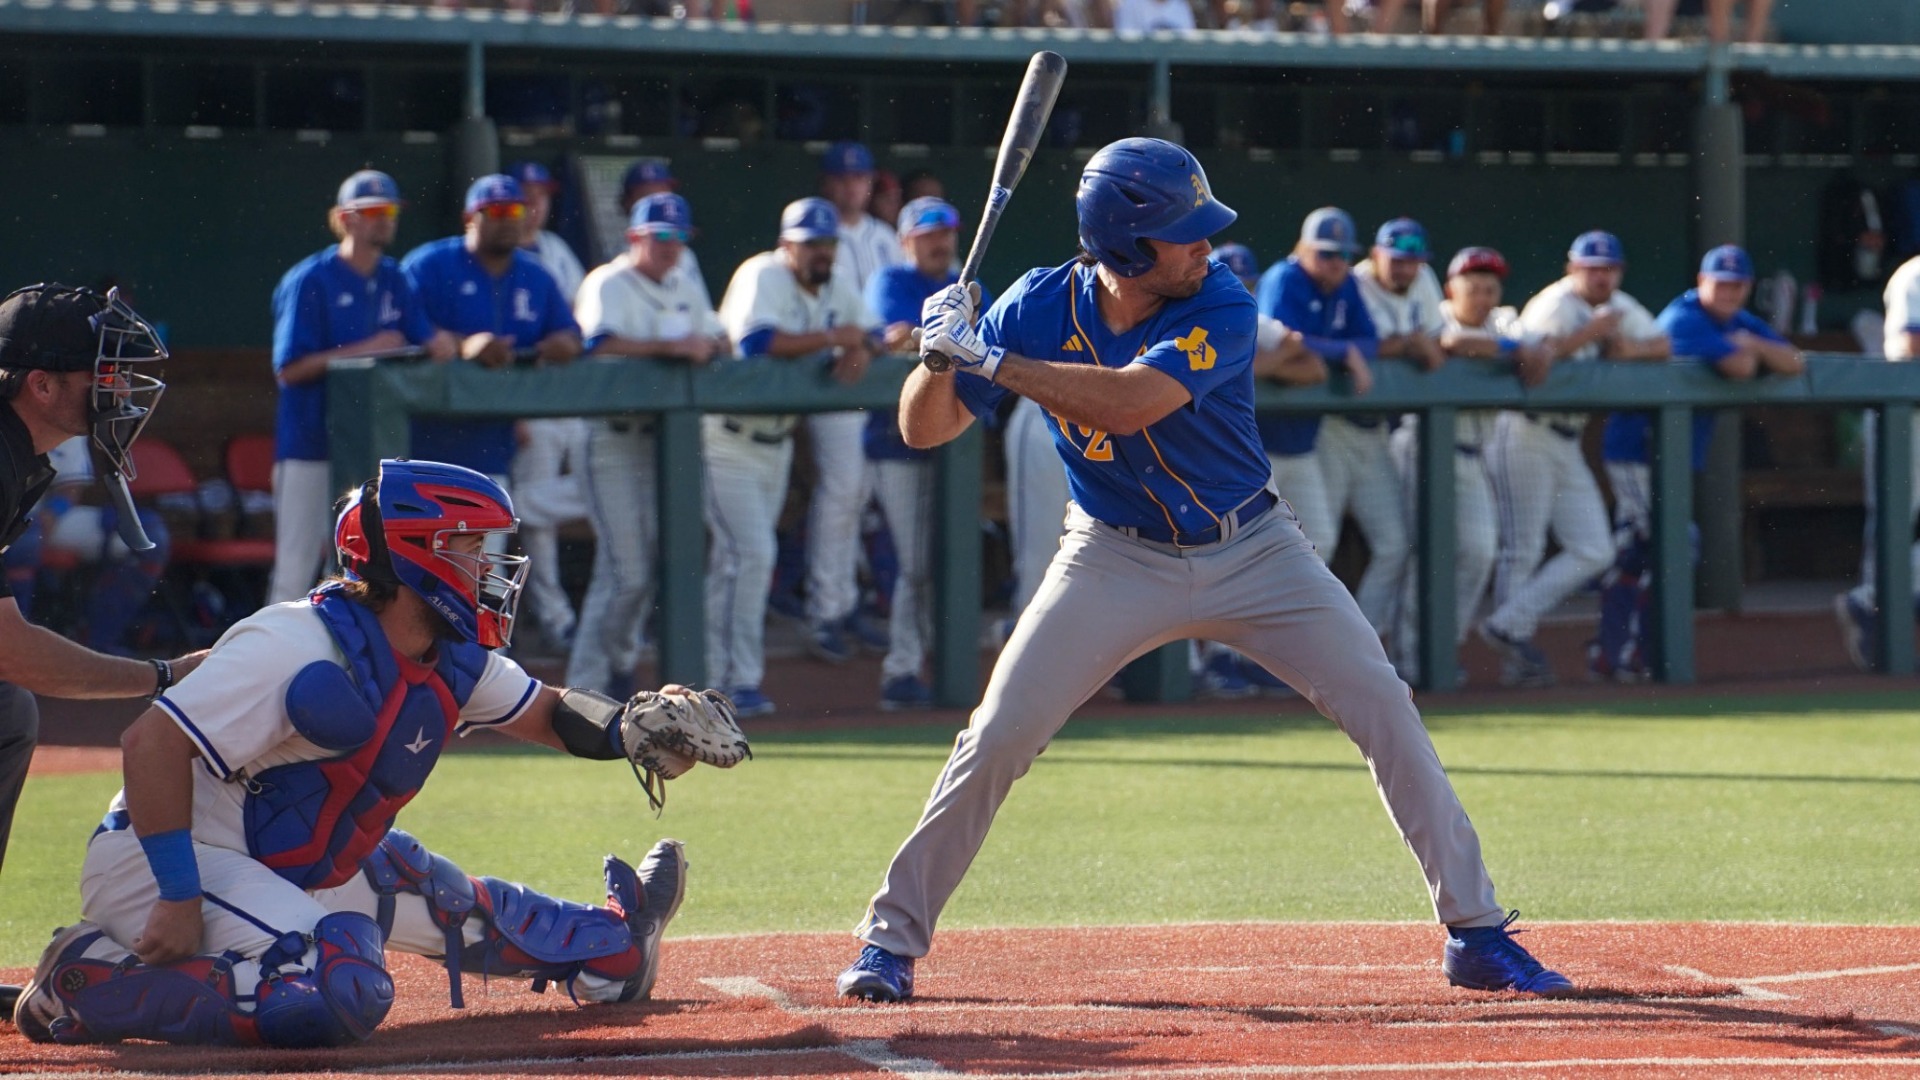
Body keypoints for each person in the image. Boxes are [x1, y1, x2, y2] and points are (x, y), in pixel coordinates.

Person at [836, 137, 1570, 1004]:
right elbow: (924, 428)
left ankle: (1476, 933)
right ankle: (889, 940)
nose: (1205, 246)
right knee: (997, 735)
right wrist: (938, 356)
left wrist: (989, 359)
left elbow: (1133, 403)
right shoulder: (1035, 304)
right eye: (1184, 234)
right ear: (1124, 246)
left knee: (1384, 705)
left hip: (1256, 549)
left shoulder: (1220, 298)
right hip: (1111, 554)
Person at [9, 459, 695, 1047]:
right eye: (472, 547)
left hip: (285, 862)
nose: (491, 567)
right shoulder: (293, 641)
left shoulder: (451, 654)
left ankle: (617, 951)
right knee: (339, 986)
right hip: (162, 862)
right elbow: (150, 742)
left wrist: (636, 727)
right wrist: (178, 894)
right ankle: (89, 978)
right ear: (417, 554)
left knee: (417, 880)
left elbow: (550, 713)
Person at [0, 283, 206, 883]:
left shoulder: (16, 451)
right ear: (41, 385)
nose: (117, 387)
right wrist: (163, 675)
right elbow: (11, 650)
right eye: (101, 373)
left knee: (8, 712)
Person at [1593, 245, 1802, 681]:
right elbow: (1741, 367)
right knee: (1671, 543)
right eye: (1720, 284)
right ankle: (1631, 651)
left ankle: (1618, 650)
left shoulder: (1739, 322)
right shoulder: (1683, 317)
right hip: (1636, 450)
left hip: (1673, 456)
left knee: (1641, 552)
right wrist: (1750, 350)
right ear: (1701, 282)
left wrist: (1752, 342)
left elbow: (1794, 361)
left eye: (1736, 285)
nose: (1728, 292)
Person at [710, 198, 881, 717]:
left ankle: (712, 676)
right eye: (810, 244)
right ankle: (738, 680)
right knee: (752, 555)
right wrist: (835, 337)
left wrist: (862, 346)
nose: (821, 252)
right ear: (787, 246)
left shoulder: (834, 284)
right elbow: (754, 342)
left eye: (827, 243)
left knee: (732, 563)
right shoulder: (762, 273)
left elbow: (871, 330)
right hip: (725, 439)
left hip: (777, 443)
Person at [1483, 231, 1668, 688]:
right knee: (1523, 547)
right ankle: (1514, 652)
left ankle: (1506, 625)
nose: (1600, 277)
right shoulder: (1555, 303)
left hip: (1568, 438)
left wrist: (1631, 349)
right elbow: (1533, 363)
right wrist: (1589, 334)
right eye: (1591, 268)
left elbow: (1664, 346)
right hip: (1525, 430)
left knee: (1594, 549)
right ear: (1573, 269)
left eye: (1608, 269)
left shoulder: (1618, 306)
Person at [268, 170, 453, 605]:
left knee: (360, 572)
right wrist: (366, 349)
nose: (385, 219)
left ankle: (344, 650)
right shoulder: (311, 278)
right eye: (373, 211)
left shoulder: (395, 278)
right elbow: (289, 369)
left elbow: (429, 341)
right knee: (295, 569)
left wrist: (445, 343)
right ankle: (269, 651)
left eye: (390, 211)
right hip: (310, 444)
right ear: (346, 218)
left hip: (372, 449)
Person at [568, 193, 726, 699]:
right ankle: (593, 678)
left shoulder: (684, 283)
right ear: (634, 237)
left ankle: (608, 669)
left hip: (661, 444)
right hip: (610, 439)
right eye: (661, 236)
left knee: (648, 567)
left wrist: (709, 344)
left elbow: (717, 336)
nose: (671, 246)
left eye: (679, 237)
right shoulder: (607, 282)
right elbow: (596, 344)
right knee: (626, 572)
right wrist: (671, 348)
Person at [1391, 247, 1549, 684]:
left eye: (1490, 288)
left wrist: (1526, 348)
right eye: (1473, 287)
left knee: (1479, 553)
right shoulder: (1438, 314)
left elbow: (1540, 347)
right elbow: (1453, 342)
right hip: (1423, 449)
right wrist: (1512, 350)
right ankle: (1406, 657)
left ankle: (1443, 647)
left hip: (1472, 455)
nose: (1481, 297)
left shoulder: (1504, 320)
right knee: (1422, 553)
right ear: (1451, 289)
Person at [862, 197, 978, 711]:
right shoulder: (892, 280)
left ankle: (933, 664)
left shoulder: (967, 283)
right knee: (915, 564)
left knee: (947, 561)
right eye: (928, 234)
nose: (940, 242)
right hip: (896, 444)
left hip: (956, 446)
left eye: (946, 232)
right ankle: (902, 670)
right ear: (907, 240)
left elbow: (977, 342)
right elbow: (901, 339)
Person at [401, 174, 583, 485]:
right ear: (469, 218)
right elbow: (401, 329)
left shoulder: (536, 275)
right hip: (427, 441)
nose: (508, 220)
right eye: (496, 211)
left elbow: (571, 335)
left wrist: (559, 345)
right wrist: (463, 345)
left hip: (498, 442)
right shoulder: (428, 265)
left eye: (515, 211)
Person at [806, 141, 900, 664]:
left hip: (878, 375)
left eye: (859, 178)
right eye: (842, 179)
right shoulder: (814, 236)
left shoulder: (885, 238)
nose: (850, 187)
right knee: (842, 492)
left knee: (860, 495)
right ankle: (826, 610)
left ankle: (843, 603)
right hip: (834, 378)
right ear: (827, 184)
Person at [1344, 217, 1447, 659]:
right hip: (1329, 431)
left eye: (1412, 261)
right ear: (1376, 254)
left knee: (1393, 546)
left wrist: (1413, 345)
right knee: (1312, 544)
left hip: (1376, 434)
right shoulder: (1355, 282)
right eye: (1397, 260)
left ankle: (1358, 652)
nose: (1405, 268)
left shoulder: (1423, 280)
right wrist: (1408, 345)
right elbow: (1359, 347)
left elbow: (1438, 348)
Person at [1254, 208, 1379, 563]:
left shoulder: (1346, 284)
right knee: (1247, 548)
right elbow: (1285, 343)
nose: (1337, 262)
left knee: (1319, 540)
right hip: (1258, 443)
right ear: (1303, 248)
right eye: (1326, 253)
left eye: (1344, 254)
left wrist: (1339, 352)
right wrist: (1342, 351)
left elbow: (1370, 342)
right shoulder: (1284, 278)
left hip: (1302, 442)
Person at [508, 160, 593, 656]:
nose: (534, 205)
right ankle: (556, 617)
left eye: (541, 195)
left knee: (589, 488)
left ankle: (506, 506)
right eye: (525, 195)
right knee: (540, 525)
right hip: (531, 403)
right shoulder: (500, 263)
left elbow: (579, 329)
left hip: (571, 401)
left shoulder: (557, 251)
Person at [1, 436, 171, 655]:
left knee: (148, 537)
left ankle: (94, 642)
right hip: (11, 519)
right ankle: (13, 648)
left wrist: (54, 511)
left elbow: (72, 486)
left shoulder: (62, 419)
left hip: (43, 516)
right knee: (24, 543)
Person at [1837, 252, 1920, 668]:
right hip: (1905, 415)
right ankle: (1869, 605)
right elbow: (1910, 343)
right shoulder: (1914, 275)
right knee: (1896, 518)